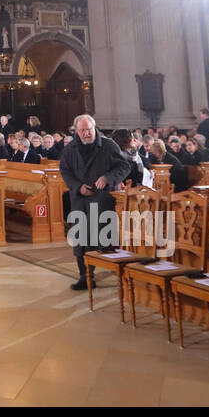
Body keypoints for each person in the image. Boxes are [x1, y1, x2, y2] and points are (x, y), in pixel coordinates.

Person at [60, 115, 132, 290]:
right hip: (80, 201)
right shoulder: (71, 148)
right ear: (76, 131)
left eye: (89, 129)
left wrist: (107, 177)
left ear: (95, 127)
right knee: (81, 241)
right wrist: (78, 187)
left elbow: (124, 166)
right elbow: (65, 171)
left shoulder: (108, 145)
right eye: (82, 130)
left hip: (102, 201)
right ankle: (85, 277)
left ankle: (119, 277)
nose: (86, 133)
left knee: (105, 241)